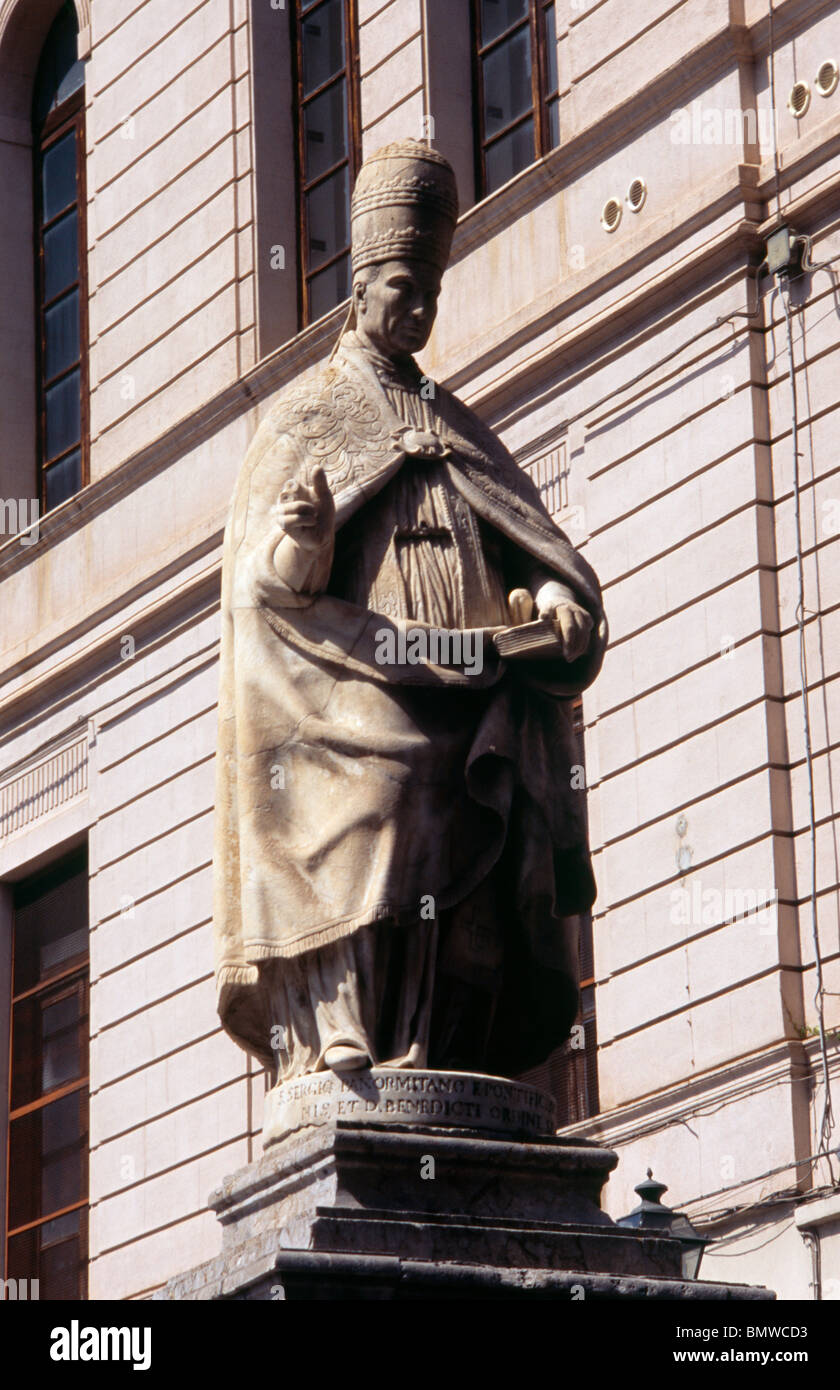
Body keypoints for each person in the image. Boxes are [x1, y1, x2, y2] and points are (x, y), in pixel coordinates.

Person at [213, 141, 607, 1084]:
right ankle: (346, 1025)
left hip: (466, 674)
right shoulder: (304, 418)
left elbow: (535, 546)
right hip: (349, 680)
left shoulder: (459, 425)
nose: (421, 309)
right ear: (359, 288)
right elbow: (264, 591)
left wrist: (556, 602)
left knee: (474, 783)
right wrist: (305, 537)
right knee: (383, 785)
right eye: (403, 287)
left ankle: (448, 1048)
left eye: (430, 292)